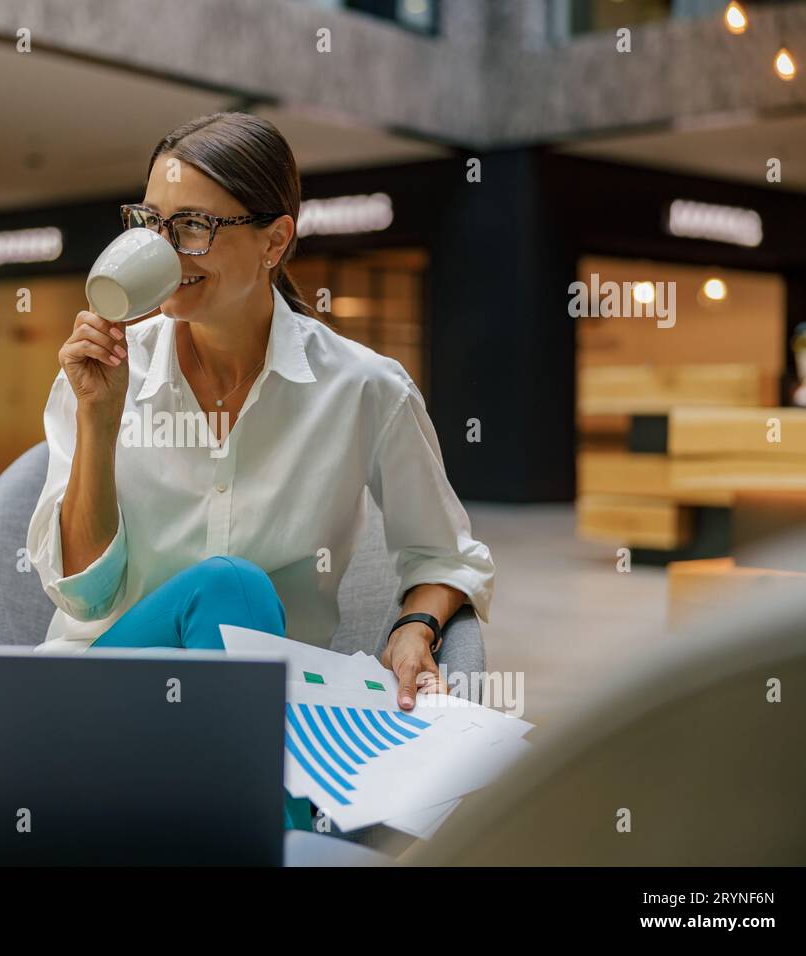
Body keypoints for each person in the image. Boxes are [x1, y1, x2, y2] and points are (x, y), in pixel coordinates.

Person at [25, 112, 495, 829]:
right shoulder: (108, 374)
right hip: (105, 706)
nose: (164, 249)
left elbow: (443, 553)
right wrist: (99, 419)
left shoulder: (365, 390)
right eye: (150, 223)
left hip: (270, 725)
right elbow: (86, 599)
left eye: (193, 227)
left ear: (274, 241)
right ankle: (291, 842)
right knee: (230, 583)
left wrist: (414, 626)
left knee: (236, 607)